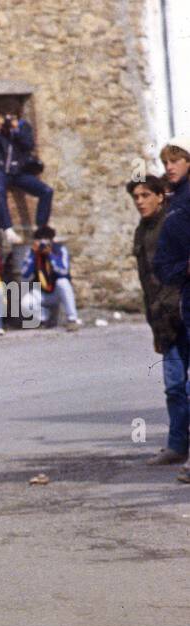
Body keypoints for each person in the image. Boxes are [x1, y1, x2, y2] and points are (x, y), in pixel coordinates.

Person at [129, 175, 188, 466]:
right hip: (165, 321)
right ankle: (177, 446)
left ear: (160, 197)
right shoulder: (142, 232)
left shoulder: (174, 224)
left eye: (145, 195)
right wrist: (155, 326)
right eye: (136, 197)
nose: (140, 201)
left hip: (183, 313)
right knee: (174, 387)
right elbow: (147, 285)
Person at [153, 137, 190, 483]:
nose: (170, 166)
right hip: (182, 300)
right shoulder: (174, 204)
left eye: (176, 159)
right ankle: (179, 445)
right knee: (176, 383)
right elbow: (163, 264)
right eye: (166, 161)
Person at [0, 109, 53, 245]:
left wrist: (16, 130)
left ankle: (41, 228)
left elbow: (29, 145)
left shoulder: (23, 127)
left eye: (12, 117)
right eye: (5, 117)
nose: (8, 120)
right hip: (0, 170)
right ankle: (7, 229)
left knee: (46, 191)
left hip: (19, 171)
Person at [21, 226, 79, 329]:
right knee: (25, 303)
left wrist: (50, 255)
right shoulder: (32, 252)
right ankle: (45, 318)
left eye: (46, 239)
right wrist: (33, 255)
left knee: (63, 282)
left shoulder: (60, 250)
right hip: (42, 291)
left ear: (51, 240)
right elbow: (24, 273)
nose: (43, 243)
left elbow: (64, 271)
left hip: (57, 291)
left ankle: (72, 319)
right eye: (40, 239)